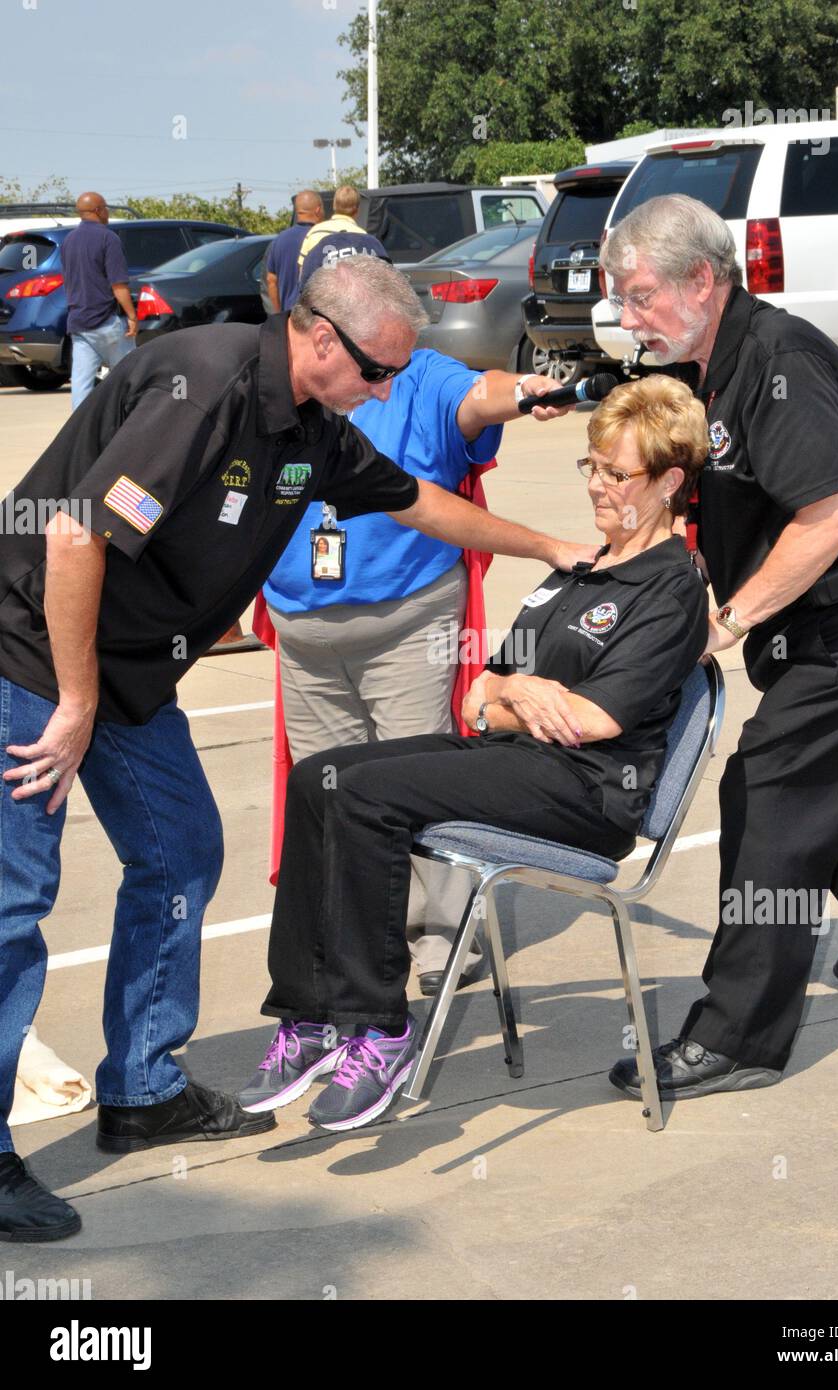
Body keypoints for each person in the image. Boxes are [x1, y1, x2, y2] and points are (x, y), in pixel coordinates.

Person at [0, 255, 599, 1242]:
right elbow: (73, 540)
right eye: (377, 371)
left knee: (182, 852)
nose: (389, 390)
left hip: (130, 672)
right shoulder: (206, 390)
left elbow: (412, 499)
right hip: (34, 657)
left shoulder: (315, 432)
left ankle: (143, 1086)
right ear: (320, 338)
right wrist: (70, 700)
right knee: (16, 897)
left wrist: (548, 547)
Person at [236, 375, 710, 1126]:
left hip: (589, 794)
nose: (598, 487)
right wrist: (517, 697)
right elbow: (478, 695)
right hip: (524, 763)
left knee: (366, 794)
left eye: (617, 475)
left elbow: (590, 721)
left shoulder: (671, 588)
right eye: (592, 466)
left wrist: (513, 700)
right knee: (319, 776)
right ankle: (310, 1016)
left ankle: (381, 1027)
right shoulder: (573, 572)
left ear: (671, 481)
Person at [598, 194, 838, 1104]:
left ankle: (737, 1035)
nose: (626, 316)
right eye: (618, 297)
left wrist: (727, 623)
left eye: (639, 296)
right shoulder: (715, 367)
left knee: (769, 788)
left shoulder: (779, 360)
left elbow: (831, 518)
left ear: (703, 279)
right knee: (815, 795)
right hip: (826, 618)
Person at [259, 336, 566, 997]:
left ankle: (441, 936)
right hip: (304, 633)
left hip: (408, 622)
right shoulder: (287, 379)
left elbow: (478, 395)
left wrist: (524, 391)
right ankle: (356, 936)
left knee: (414, 781)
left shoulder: (416, 374)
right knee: (330, 792)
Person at [60, 192, 137, 411]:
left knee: (81, 386)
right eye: (106, 207)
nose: (107, 212)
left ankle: (79, 434)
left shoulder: (68, 241)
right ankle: (134, 426)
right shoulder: (108, 238)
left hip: (79, 322)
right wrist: (131, 315)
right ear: (98, 210)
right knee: (131, 376)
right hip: (106, 321)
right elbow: (118, 285)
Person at [297, 184, 388, 282]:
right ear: (357, 209)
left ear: (334, 205)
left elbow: (303, 273)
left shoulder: (314, 232)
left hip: (320, 294)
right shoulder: (363, 237)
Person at [265, 189, 324, 312]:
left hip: (289, 317)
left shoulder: (279, 240)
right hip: (315, 317)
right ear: (318, 210)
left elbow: (271, 280)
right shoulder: (321, 238)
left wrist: (278, 313)